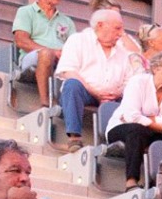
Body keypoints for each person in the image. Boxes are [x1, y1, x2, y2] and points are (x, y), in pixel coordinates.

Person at [54, 9, 139, 148]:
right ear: (100, 25)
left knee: (134, 96)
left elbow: (130, 81)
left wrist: (117, 93)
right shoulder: (78, 40)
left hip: (114, 96)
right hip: (85, 90)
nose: (120, 33)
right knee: (72, 85)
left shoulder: (122, 51)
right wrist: (94, 91)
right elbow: (68, 71)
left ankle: (119, 145)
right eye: (117, 28)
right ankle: (74, 137)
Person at [106, 52, 162, 186]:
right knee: (137, 130)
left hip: (153, 133)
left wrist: (148, 119)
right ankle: (131, 181)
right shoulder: (138, 81)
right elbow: (131, 116)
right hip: (122, 128)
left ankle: (159, 185)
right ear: (155, 68)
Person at [9, 0, 73, 91]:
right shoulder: (26, 12)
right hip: (32, 58)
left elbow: (74, 48)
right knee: (45, 54)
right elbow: (21, 41)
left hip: (61, 62)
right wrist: (52, 52)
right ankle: (45, 103)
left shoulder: (67, 21)